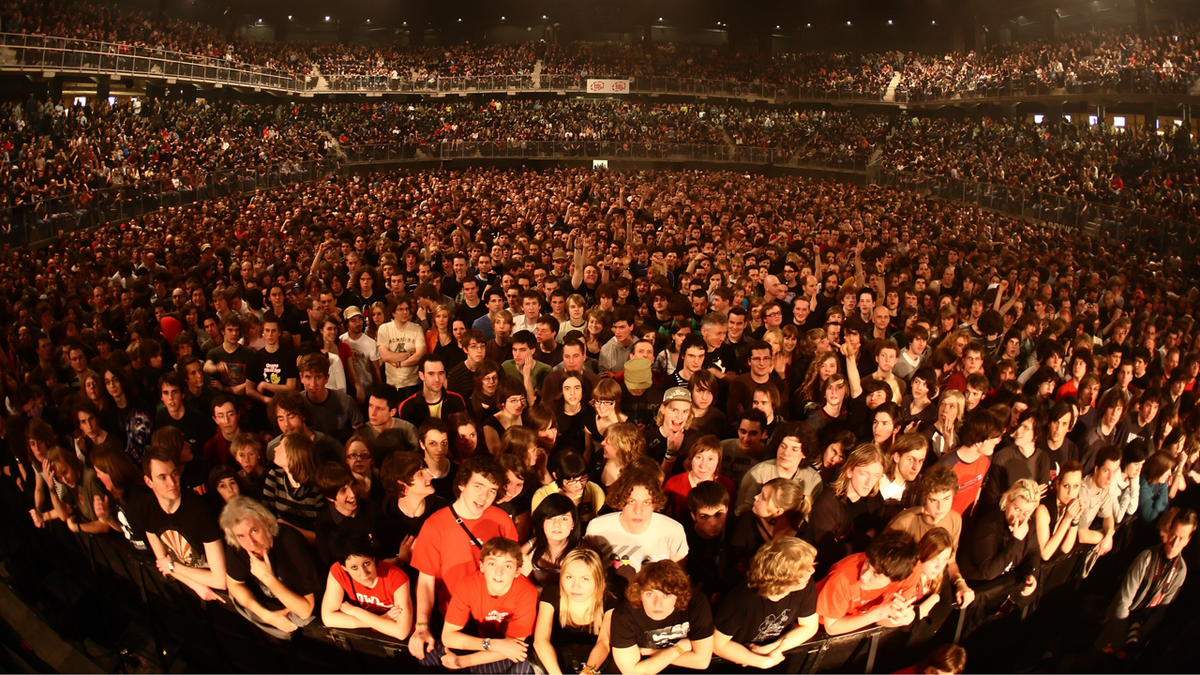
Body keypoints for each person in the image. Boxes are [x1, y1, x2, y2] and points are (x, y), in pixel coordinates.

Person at [408, 455, 518, 662]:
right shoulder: (435, 525)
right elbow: (425, 581)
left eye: (492, 491)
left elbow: (514, 570)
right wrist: (421, 625)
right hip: (455, 619)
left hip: (495, 616)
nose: (484, 496)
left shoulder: (501, 520)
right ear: (461, 485)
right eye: (478, 486)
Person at [135, 444, 227, 601]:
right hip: (188, 586)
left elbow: (220, 580)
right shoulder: (146, 507)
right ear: (149, 482)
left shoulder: (199, 512)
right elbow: (161, 560)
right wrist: (193, 584)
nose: (172, 483)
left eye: (174, 474)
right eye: (162, 477)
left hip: (218, 594)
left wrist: (173, 567)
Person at [1098, 507, 1195, 657]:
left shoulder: (1181, 571)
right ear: (1169, 531)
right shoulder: (1147, 557)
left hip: (1136, 636)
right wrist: (1118, 645)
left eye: (1181, 538)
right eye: (1174, 535)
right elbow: (1123, 601)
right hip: (1115, 627)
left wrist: (1132, 646)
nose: (1175, 543)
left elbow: (1159, 614)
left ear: (1187, 541)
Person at [221, 496, 321, 639]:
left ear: (266, 524)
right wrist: (266, 616)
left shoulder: (291, 541)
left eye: (254, 531)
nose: (251, 543)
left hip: (301, 611)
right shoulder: (237, 543)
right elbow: (234, 584)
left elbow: (305, 610)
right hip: (269, 609)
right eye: (241, 536)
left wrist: (267, 578)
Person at [712, 537, 820, 669]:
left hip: (774, 655)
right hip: (736, 662)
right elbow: (717, 644)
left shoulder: (805, 585)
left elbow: (809, 627)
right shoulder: (741, 600)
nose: (812, 571)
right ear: (785, 577)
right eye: (805, 569)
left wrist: (771, 648)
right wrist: (762, 662)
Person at [435, 537, 539, 673]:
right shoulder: (468, 585)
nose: (499, 572)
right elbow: (448, 637)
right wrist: (494, 644)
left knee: (522, 665)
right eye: (492, 564)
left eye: (507, 566)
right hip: (486, 643)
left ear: (517, 572)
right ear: (482, 566)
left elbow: (515, 648)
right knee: (431, 653)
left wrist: (463, 662)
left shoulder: (526, 592)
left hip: (510, 653)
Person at [886, 465, 975, 608]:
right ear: (924, 498)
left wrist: (960, 583)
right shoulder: (904, 523)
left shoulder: (955, 519)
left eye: (946, 499)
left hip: (935, 589)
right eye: (934, 500)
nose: (941, 508)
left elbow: (950, 562)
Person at [584, 468, 688, 583]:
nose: (638, 510)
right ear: (620, 500)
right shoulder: (597, 529)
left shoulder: (672, 531)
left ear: (655, 502)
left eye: (646, 502)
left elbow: (677, 582)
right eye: (631, 501)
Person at [610, 560, 714, 673]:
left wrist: (653, 652)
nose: (657, 603)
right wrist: (679, 648)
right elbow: (632, 673)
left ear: (679, 595)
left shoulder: (696, 603)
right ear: (639, 594)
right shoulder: (625, 614)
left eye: (667, 595)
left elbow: (702, 661)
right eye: (650, 594)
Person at [815, 530, 921, 636]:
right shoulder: (842, 578)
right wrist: (876, 615)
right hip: (821, 628)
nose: (864, 576)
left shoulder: (910, 570)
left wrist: (903, 618)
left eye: (876, 574)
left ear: (896, 579)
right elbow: (832, 627)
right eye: (867, 564)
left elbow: (887, 617)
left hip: (865, 625)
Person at [532, 548, 616, 675]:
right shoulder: (552, 593)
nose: (575, 586)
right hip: (555, 662)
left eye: (585, 579)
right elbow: (540, 641)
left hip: (595, 665)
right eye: (569, 577)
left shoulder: (609, 598)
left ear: (597, 580)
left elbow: (604, 643)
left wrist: (587, 672)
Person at [805, 443, 887, 571]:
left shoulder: (874, 497)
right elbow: (829, 555)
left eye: (876, 475)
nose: (869, 482)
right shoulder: (827, 504)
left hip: (860, 567)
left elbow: (880, 532)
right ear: (849, 471)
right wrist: (866, 538)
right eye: (864, 474)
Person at [959, 480, 1041, 605]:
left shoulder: (1029, 522)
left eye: (1027, 512)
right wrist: (1016, 541)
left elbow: (1033, 551)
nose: (1021, 517)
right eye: (1017, 509)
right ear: (1008, 500)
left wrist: (1031, 574)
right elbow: (988, 572)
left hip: (1000, 590)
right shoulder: (989, 526)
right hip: (976, 590)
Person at [320, 532, 413, 640]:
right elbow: (328, 618)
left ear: (373, 559)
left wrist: (356, 611)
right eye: (354, 568)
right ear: (344, 568)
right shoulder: (338, 571)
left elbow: (402, 632)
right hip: (370, 635)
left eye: (366, 564)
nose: (364, 574)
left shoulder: (396, 576)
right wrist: (381, 619)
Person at [735, 421, 823, 515]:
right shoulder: (757, 474)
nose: (786, 453)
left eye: (794, 449)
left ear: (804, 453)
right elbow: (742, 512)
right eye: (783, 446)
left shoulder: (813, 480)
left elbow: (814, 517)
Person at [937, 409, 1005, 518]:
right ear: (978, 442)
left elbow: (979, 489)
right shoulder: (947, 465)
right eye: (993, 438)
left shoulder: (986, 458)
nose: (997, 441)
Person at [262, 432, 324, 545]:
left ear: (293, 454)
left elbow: (320, 538)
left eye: (281, 446)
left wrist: (288, 527)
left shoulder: (317, 488)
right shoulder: (274, 477)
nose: (275, 448)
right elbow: (267, 520)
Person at [663, 434, 736, 519]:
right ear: (691, 458)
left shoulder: (727, 485)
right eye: (699, 457)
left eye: (710, 459)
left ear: (718, 462)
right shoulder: (673, 484)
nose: (703, 465)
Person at [299, 353, 363, 444]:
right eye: (308, 377)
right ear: (301, 378)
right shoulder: (298, 403)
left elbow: (359, 432)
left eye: (318, 377)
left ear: (326, 378)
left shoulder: (346, 401)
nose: (313, 384)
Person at [521, 493, 581, 589]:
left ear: (573, 523)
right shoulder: (530, 549)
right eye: (550, 518)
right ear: (542, 523)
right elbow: (522, 586)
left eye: (564, 519)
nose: (556, 524)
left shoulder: (582, 550)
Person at [531, 451, 605, 525]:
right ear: (556, 476)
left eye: (583, 478)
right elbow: (537, 528)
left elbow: (602, 523)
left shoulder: (594, 490)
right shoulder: (543, 494)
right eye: (571, 481)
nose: (579, 486)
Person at [400, 355, 468, 427]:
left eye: (441, 373)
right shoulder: (408, 406)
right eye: (431, 374)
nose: (437, 379)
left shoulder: (456, 400)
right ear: (421, 375)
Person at [1034, 461, 1083, 561]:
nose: (1071, 492)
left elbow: (1066, 548)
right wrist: (1067, 519)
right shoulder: (1043, 510)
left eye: (1076, 486)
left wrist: (1075, 520)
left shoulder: (1068, 506)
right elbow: (1045, 554)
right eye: (1066, 486)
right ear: (1058, 485)